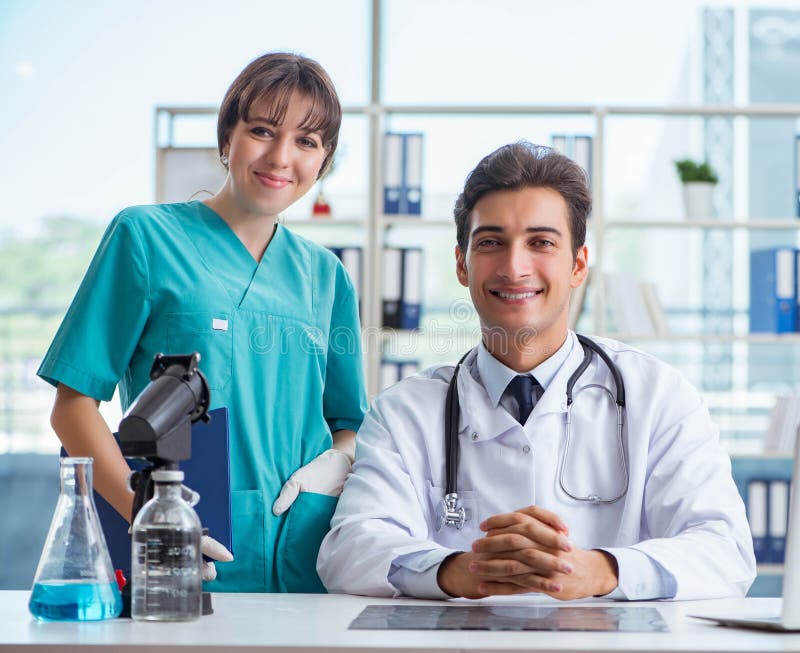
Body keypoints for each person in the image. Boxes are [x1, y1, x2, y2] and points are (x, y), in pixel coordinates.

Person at [317, 141, 755, 601]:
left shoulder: (659, 396)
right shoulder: (406, 411)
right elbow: (349, 547)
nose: (514, 267)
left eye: (541, 242)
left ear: (578, 265)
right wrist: (457, 570)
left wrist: (604, 570)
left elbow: (724, 550)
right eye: (491, 242)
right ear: (463, 265)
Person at [38, 52, 368, 593]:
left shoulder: (326, 277)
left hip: (305, 558)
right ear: (226, 140)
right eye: (262, 130)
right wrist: (150, 518)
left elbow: (349, 422)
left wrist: (340, 460)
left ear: (323, 162)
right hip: (181, 560)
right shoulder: (145, 238)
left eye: (306, 141)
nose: (281, 156)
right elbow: (72, 409)